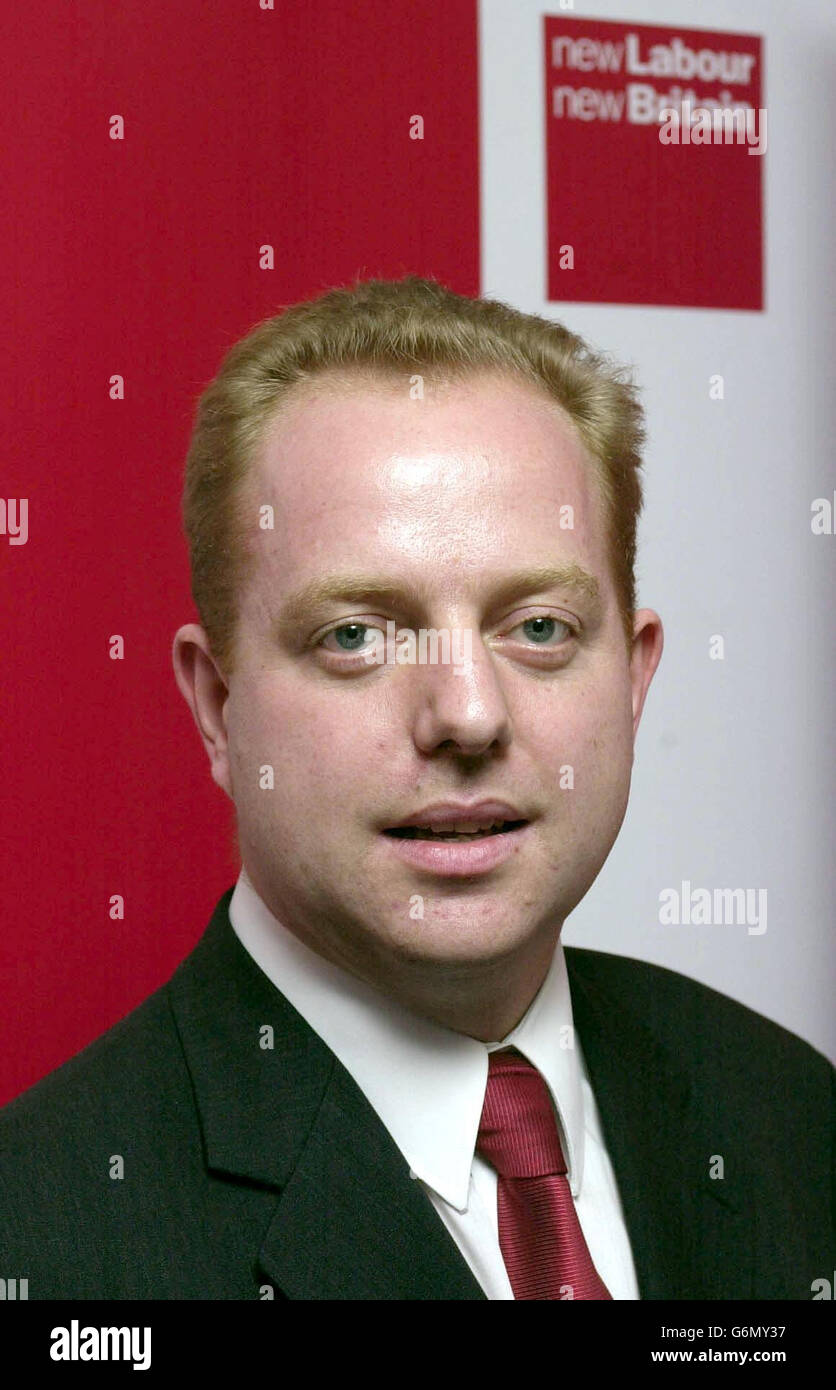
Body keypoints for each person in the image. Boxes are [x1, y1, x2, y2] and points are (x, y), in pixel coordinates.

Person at [0, 277, 831, 1300]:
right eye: (355, 635)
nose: (468, 714)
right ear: (219, 707)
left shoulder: (783, 1106)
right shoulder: (44, 1236)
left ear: (631, 676)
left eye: (537, 628)